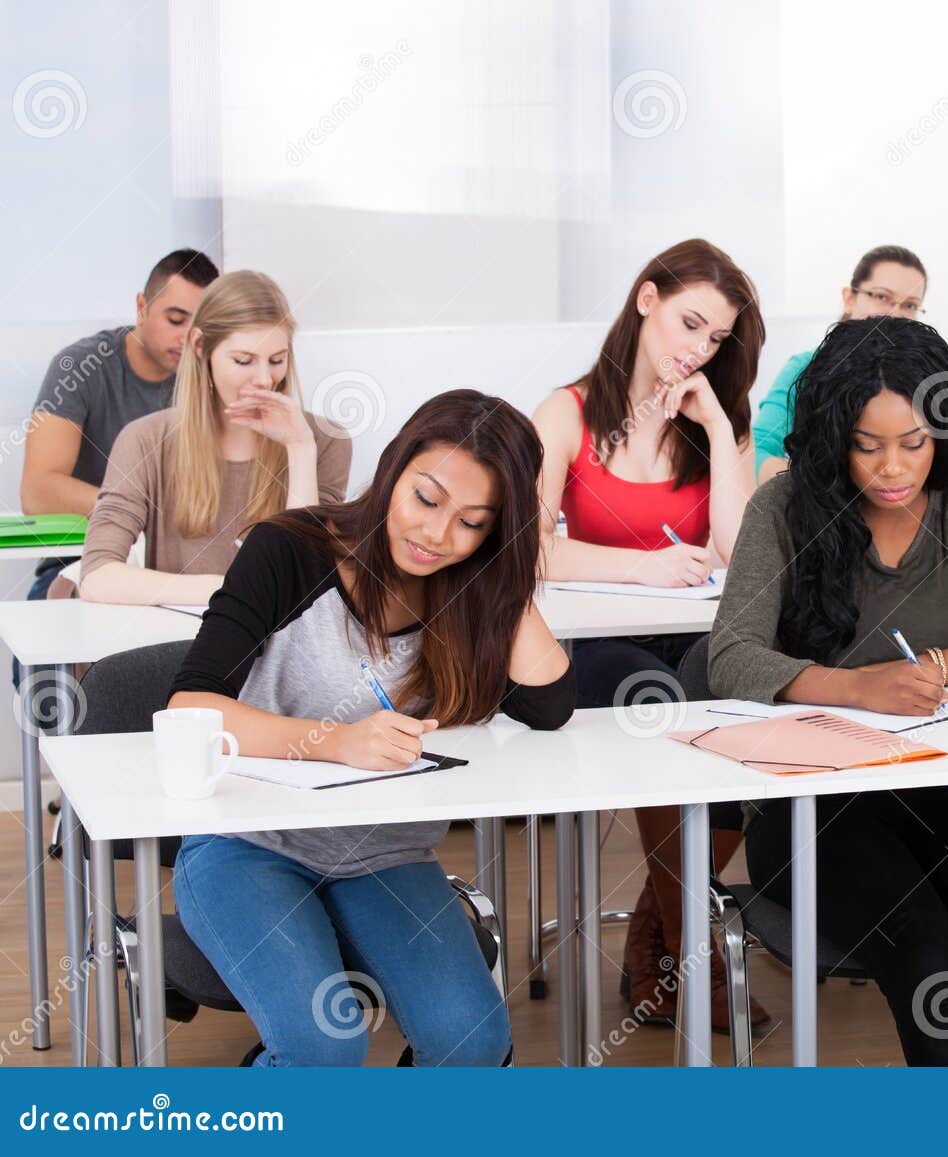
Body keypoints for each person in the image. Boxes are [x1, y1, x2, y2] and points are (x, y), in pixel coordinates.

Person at [711, 316, 948, 1066]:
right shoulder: (780, 512)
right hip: (812, 809)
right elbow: (731, 656)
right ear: (830, 435)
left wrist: (935, 669)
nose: (893, 468)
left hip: (946, 792)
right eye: (866, 445)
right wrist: (856, 687)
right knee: (926, 951)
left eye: (913, 443)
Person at [169, 390, 575, 1066]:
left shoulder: (465, 590)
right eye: (426, 498)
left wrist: (505, 568)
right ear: (393, 471)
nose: (437, 535)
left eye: (472, 521)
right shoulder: (289, 550)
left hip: (382, 853)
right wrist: (334, 741)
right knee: (324, 1048)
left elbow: (549, 703)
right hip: (249, 843)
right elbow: (192, 707)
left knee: (472, 1043)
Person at [530, 238, 769, 1031]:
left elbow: (738, 555)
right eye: (688, 323)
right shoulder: (564, 412)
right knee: (664, 703)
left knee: (739, 703)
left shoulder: (715, 416)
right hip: (594, 647)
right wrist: (641, 568)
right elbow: (524, 552)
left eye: (715, 338)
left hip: (691, 633)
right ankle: (692, 946)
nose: (697, 349)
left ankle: (657, 924)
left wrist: (718, 422)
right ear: (645, 300)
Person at [79, 271, 351, 606]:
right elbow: (97, 577)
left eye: (277, 360)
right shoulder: (145, 439)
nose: (264, 379)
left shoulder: (323, 441)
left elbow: (308, 580)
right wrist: (232, 590)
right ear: (200, 346)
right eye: (243, 360)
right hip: (177, 648)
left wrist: (299, 448)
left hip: (278, 651)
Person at [21, 248, 220, 599]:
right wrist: (144, 514)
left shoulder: (214, 376)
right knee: (53, 622)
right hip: (78, 559)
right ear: (142, 307)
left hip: (178, 568)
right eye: (175, 320)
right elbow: (38, 492)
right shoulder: (81, 367)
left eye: (202, 328)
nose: (187, 339)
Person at [752, 244, 926, 483]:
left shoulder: (928, 376)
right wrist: (816, 499)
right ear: (849, 298)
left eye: (910, 305)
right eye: (882, 297)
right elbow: (758, 451)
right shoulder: (804, 369)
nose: (895, 314)